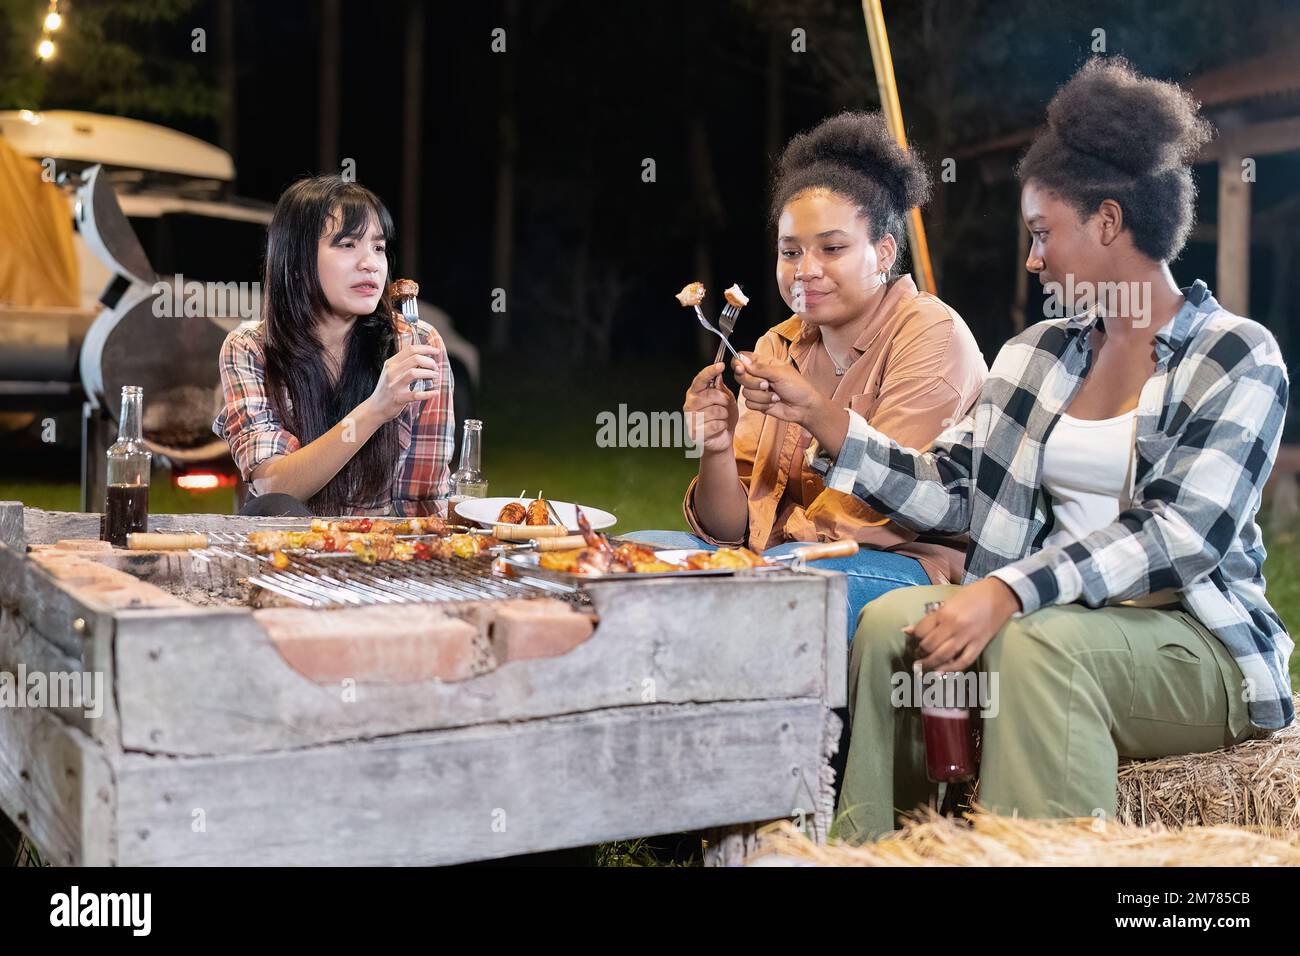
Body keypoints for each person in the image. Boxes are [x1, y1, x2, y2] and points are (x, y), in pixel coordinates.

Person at [734, 58, 1293, 843]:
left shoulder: (1236, 356)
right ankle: (874, 855)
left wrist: (1010, 591)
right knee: (893, 622)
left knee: (1040, 642)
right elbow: (954, 489)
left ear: (1107, 221)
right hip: (1053, 610)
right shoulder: (1037, 355)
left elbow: (1180, 537)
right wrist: (827, 422)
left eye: (1041, 234)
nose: (1033, 260)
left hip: (1192, 641)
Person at [630, 112, 987, 638]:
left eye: (833, 248)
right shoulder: (778, 344)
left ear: (884, 251)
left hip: (905, 568)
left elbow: (890, 509)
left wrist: (816, 417)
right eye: (790, 251)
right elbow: (729, 531)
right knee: (627, 562)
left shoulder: (930, 335)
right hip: (782, 562)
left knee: (770, 591)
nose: (806, 270)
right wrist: (717, 446)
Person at [214, 175, 453, 517]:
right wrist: (375, 409)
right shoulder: (251, 348)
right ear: (297, 260)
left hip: (379, 554)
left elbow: (422, 503)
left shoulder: (417, 343)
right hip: (286, 550)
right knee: (279, 506)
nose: (370, 263)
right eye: (347, 245)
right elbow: (273, 488)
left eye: (378, 247)